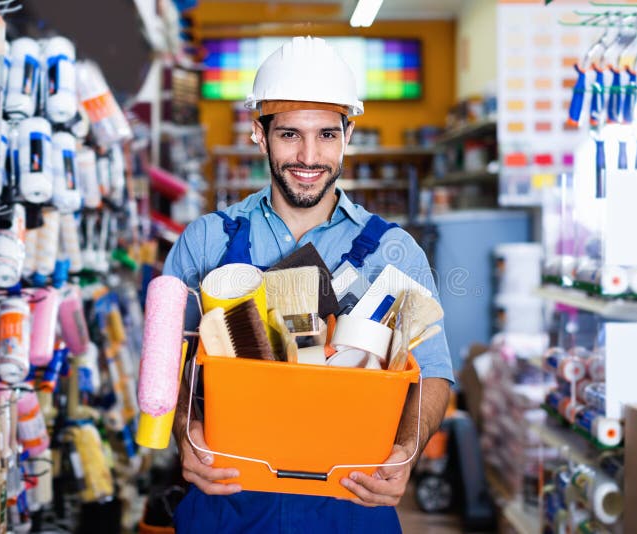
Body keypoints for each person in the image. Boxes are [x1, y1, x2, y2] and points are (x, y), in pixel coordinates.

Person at [163, 36, 454, 532]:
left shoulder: (393, 250)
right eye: (290, 135)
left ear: (348, 134)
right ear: (260, 133)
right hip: (230, 498)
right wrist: (186, 434)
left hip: (349, 500)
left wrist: (406, 451)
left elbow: (432, 373)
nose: (309, 156)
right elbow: (168, 361)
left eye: (326, 135)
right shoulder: (208, 240)